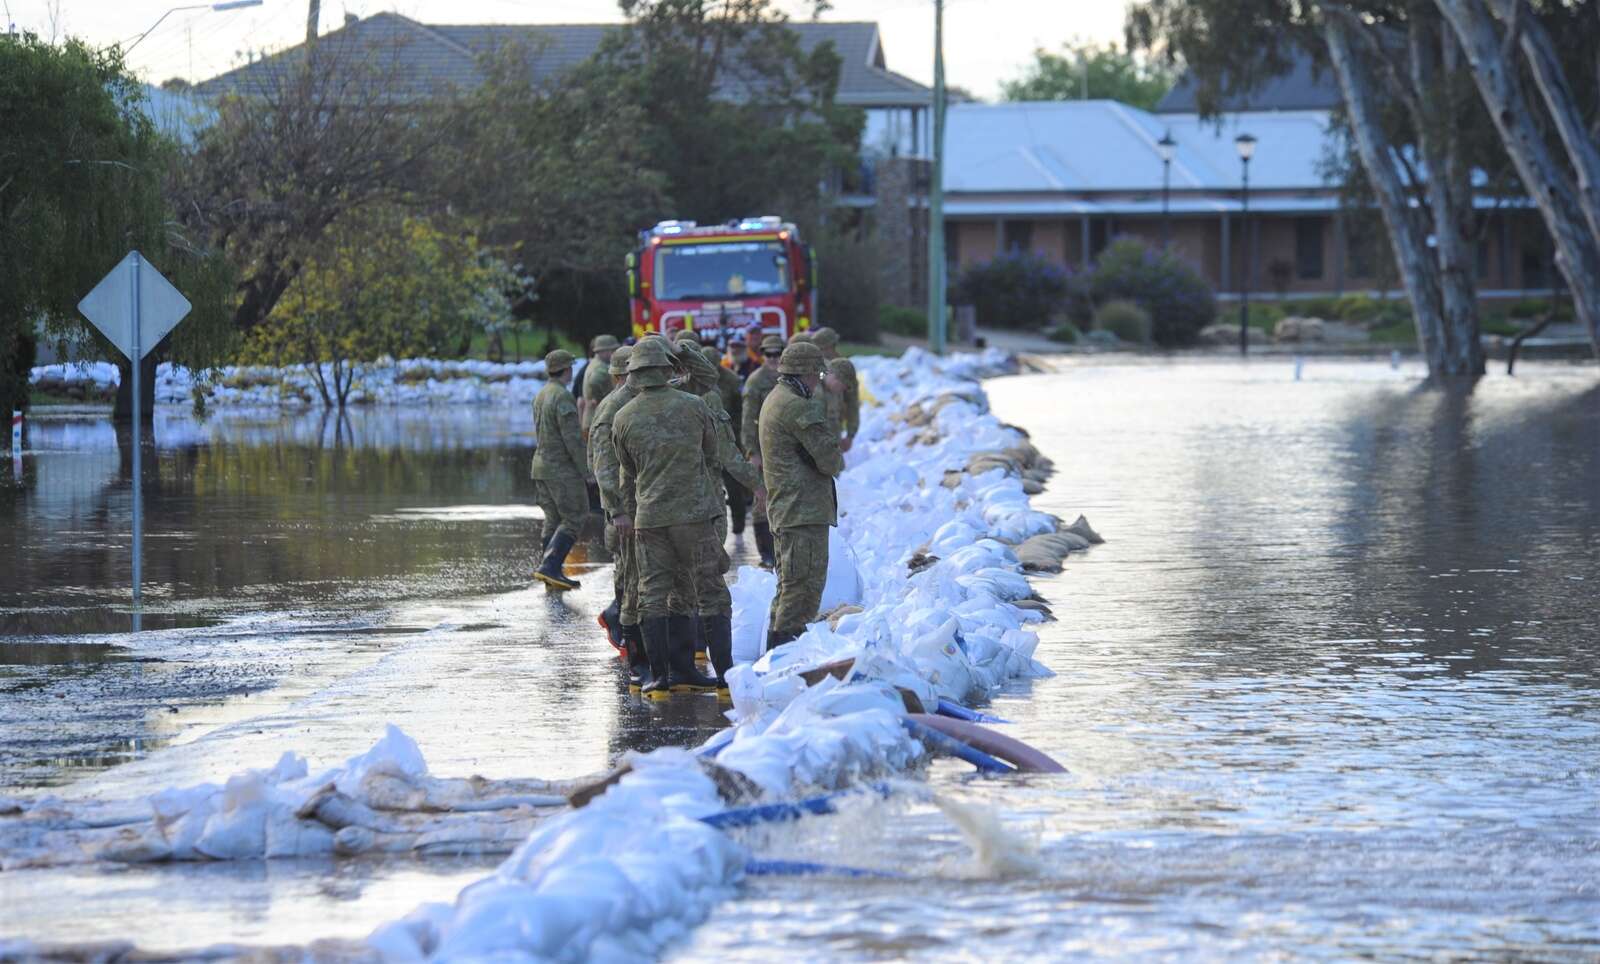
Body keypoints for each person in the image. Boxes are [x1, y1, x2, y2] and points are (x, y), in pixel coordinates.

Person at [612, 338, 727, 699]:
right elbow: (712, 452)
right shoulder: (694, 406)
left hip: (650, 518)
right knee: (711, 592)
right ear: (665, 369)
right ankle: (724, 679)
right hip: (694, 515)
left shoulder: (623, 416)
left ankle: (659, 679)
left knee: (652, 595)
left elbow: (626, 471)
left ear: (635, 375)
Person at [758, 339, 844, 649]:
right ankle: (784, 657)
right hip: (801, 509)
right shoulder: (797, 406)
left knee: (788, 587)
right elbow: (830, 459)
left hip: (789, 507)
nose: (818, 381)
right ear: (805, 374)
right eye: (816, 375)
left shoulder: (776, 398)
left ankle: (775, 655)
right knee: (803, 590)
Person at [588, 345, 648, 686]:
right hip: (624, 507)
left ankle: (622, 624)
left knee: (637, 575)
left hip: (639, 503)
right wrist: (616, 510)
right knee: (630, 577)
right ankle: (626, 636)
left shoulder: (631, 403)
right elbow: (603, 467)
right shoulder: (613, 409)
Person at [530, 349, 595, 590]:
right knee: (575, 516)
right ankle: (550, 567)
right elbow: (572, 439)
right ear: (567, 369)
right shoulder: (562, 397)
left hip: (541, 466)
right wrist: (586, 470)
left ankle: (551, 573)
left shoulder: (541, 394)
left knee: (553, 519)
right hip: (561, 469)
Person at [740, 333, 784, 568]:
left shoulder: (789, 379)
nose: (774, 358)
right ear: (762, 356)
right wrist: (751, 453)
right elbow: (747, 420)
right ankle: (766, 552)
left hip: (784, 450)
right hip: (762, 448)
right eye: (769, 354)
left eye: (778, 353)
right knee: (762, 501)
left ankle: (782, 548)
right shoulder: (755, 382)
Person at [703, 344, 749, 535]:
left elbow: (741, 408)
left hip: (728, 434)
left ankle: (739, 523)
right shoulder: (697, 381)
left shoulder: (730, 379)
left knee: (733, 483)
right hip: (705, 440)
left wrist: (735, 430)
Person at [810, 327, 859, 454]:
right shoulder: (814, 368)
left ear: (832, 346)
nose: (821, 352)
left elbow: (852, 404)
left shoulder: (845, 370)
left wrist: (850, 435)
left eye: (823, 348)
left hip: (833, 427)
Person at [579, 333, 619, 441]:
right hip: (597, 420)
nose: (614, 353)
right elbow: (608, 397)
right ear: (604, 351)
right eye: (612, 350)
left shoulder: (593, 365)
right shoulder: (600, 370)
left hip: (592, 419)